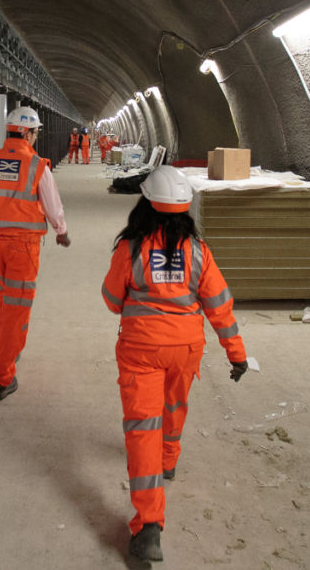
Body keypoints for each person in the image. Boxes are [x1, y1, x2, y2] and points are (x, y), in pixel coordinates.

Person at [100, 166, 248, 561]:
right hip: (186, 348)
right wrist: (236, 353)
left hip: (141, 350)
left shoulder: (131, 249)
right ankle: (168, 462)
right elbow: (219, 305)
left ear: (145, 204)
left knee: (142, 429)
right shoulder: (198, 252)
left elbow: (112, 301)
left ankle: (149, 525)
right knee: (175, 404)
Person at [0, 106, 71, 401]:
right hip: (22, 248)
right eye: (36, 133)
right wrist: (60, 230)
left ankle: (6, 350)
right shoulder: (37, 166)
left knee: (5, 298)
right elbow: (52, 204)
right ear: (28, 133)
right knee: (17, 308)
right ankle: (2, 376)